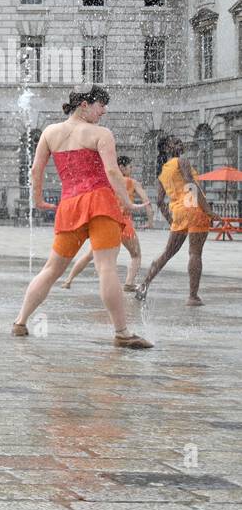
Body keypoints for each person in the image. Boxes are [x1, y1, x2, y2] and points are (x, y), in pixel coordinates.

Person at [11, 87, 151, 348]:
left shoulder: (50, 133)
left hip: (70, 205)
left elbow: (35, 169)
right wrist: (127, 202)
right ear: (84, 105)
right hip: (100, 202)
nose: (104, 110)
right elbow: (111, 170)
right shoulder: (100, 134)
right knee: (106, 268)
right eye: (101, 105)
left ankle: (20, 322)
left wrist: (38, 199)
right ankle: (122, 333)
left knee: (51, 269)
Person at [136, 136, 214, 306]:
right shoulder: (182, 160)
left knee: (167, 253)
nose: (180, 144)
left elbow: (159, 201)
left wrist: (171, 220)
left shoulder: (162, 172)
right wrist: (208, 210)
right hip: (194, 209)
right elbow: (190, 181)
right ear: (167, 149)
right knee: (195, 253)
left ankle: (144, 285)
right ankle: (193, 296)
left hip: (178, 212)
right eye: (175, 143)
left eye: (180, 141)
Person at [61, 155, 150, 291]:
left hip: (107, 222)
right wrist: (150, 220)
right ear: (122, 167)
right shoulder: (132, 183)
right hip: (125, 224)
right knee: (136, 254)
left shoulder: (107, 181)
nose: (131, 170)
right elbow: (146, 201)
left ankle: (68, 280)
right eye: (130, 167)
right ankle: (129, 283)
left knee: (90, 255)